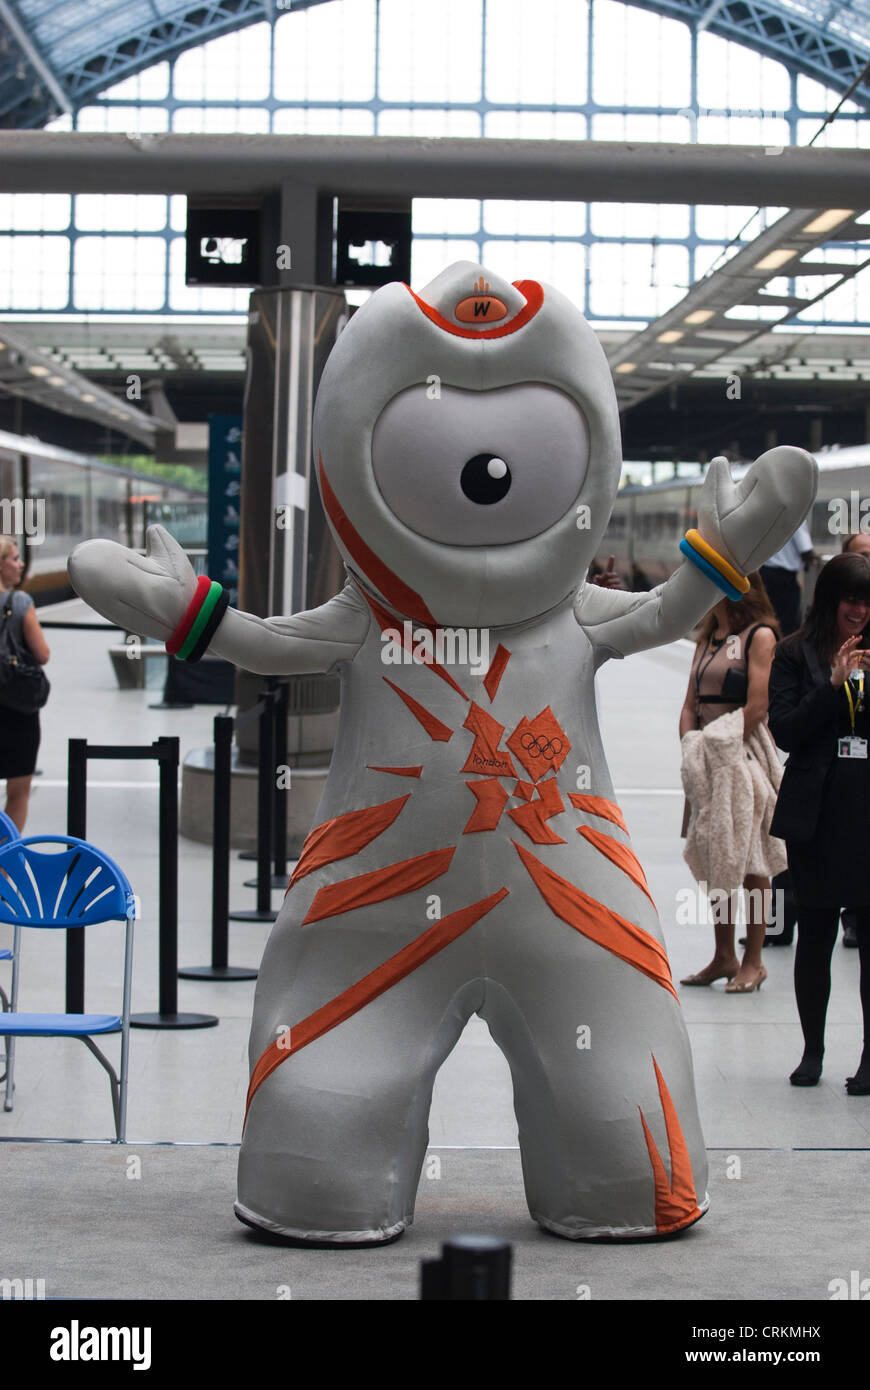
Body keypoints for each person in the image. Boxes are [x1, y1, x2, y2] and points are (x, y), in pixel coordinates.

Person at [768, 552, 870, 1091]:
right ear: (830, 599)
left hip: (866, 808)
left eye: (867, 601)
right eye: (851, 599)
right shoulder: (793, 654)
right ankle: (813, 1051)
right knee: (815, 937)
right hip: (818, 813)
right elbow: (784, 730)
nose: (860, 610)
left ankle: (869, 1058)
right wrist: (832, 685)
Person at [678, 573, 782, 992]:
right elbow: (690, 703)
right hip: (705, 759)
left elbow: (758, 704)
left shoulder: (760, 636)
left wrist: (720, 744)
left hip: (743, 756)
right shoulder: (709, 637)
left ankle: (753, 961)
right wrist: (690, 744)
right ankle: (724, 955)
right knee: (714, 849)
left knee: (752, 858)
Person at [0, 537, 50, 831]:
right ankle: (4, 866)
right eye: (15, 559)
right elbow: (42, 654)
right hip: (17, 710)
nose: (20, 565)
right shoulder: (19, 603)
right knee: (18, 792)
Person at [759, 518, 815, 637]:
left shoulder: (771, 509)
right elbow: (806, 550)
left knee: (767, 622)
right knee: (787, 628)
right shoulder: (797, 512)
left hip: (764, 573)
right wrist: (813, 560)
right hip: (784, 580)